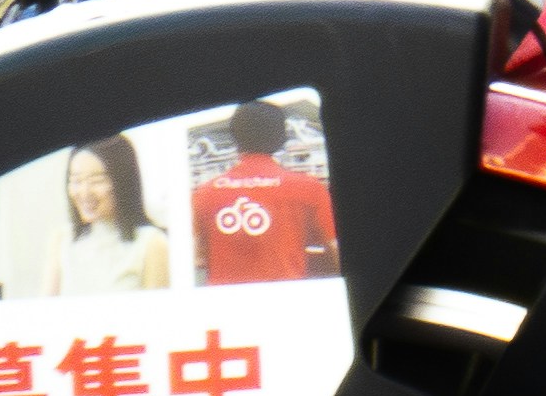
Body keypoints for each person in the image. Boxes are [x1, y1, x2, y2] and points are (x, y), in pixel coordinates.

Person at [190, 102, 339, 285]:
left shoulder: (204, 194)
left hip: (225, 306)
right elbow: (336, 250)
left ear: (236, 137)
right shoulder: (309, 188)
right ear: (280, 137)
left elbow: (196, 258)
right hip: (286, 301)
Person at [55, 139, 171, 296]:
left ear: (123, 181)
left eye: (97, 181)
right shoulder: (63, 239)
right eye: (76, 180)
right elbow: (46, 312)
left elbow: (156, 316)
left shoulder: (151, 242)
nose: (85, 192)